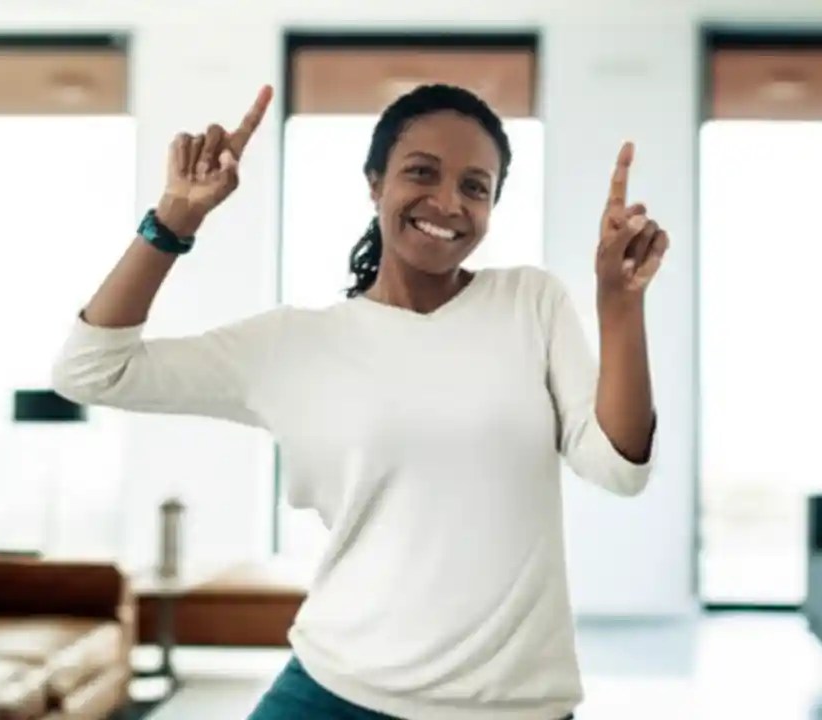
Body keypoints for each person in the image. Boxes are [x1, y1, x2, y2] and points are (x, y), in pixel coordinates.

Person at [51, 82, 668, 720]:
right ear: (375, 183)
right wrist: (176, 218)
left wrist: (619, 304)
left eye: (475, 186)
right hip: (337, 690)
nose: (448, 202)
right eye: (421, 173)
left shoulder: (530, 304)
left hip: (513, 705)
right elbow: (91, 371)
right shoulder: (294, 345)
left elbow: (619, 468)